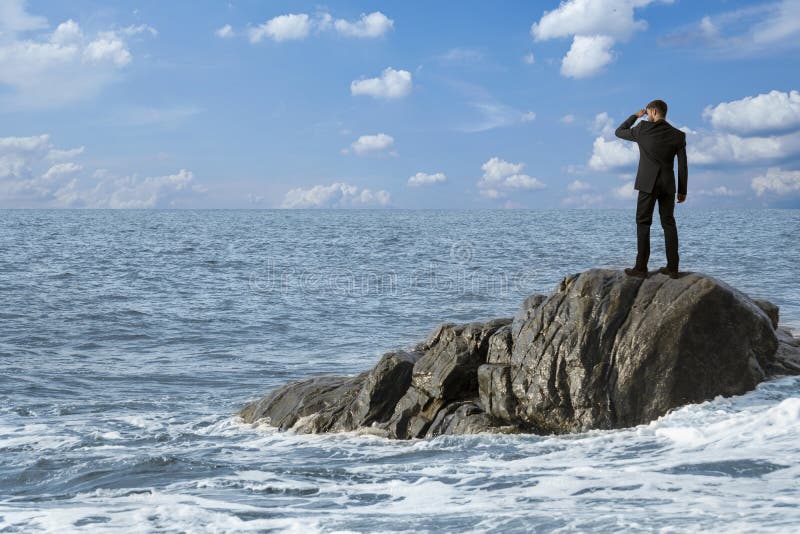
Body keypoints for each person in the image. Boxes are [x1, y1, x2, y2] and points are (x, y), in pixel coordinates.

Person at [615, 99, 688, 279]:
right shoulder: (678, 135)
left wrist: (635, 116)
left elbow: (619, 132)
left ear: (654, 111)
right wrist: (682, 190)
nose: (646, 116)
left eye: (647, 113)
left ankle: (641, 268)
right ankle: (673, 268)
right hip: (668, 185)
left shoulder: (642, 129)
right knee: (668, 223)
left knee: (643, 223)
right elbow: (682, 165)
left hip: (647, 184)